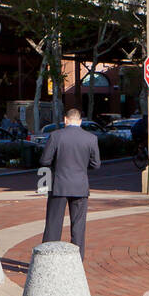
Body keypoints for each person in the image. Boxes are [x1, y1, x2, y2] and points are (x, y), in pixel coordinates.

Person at [39, 108, 101, 259]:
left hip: (59, 184)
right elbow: (96, 164)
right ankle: (77, 259)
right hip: (80, 185)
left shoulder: (56, 136)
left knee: (53, 223)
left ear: (65, 120)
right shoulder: (91, 138)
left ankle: (48, 257)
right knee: (78, 225)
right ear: (80, 121)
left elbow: (44, 161)